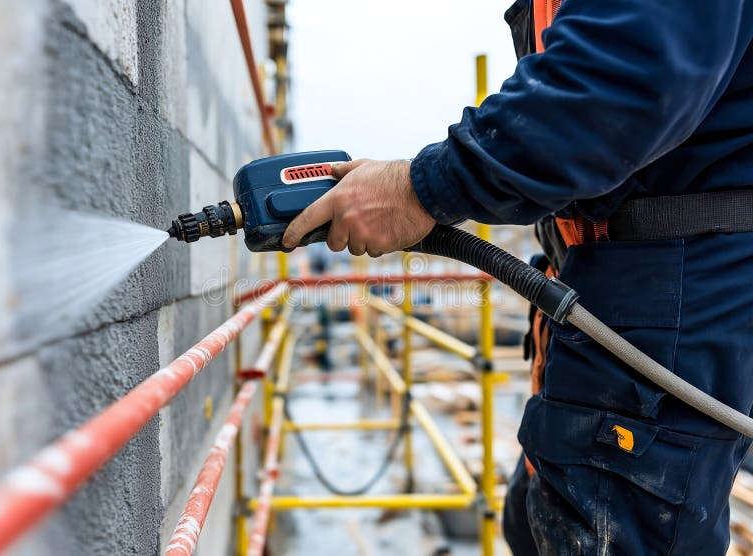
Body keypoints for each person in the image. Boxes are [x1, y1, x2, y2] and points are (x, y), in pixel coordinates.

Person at [283, 0, 753, 554]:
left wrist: (419, 189)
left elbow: (619, 79)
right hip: (606, 286)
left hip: (666, 288)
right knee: (539, 524)